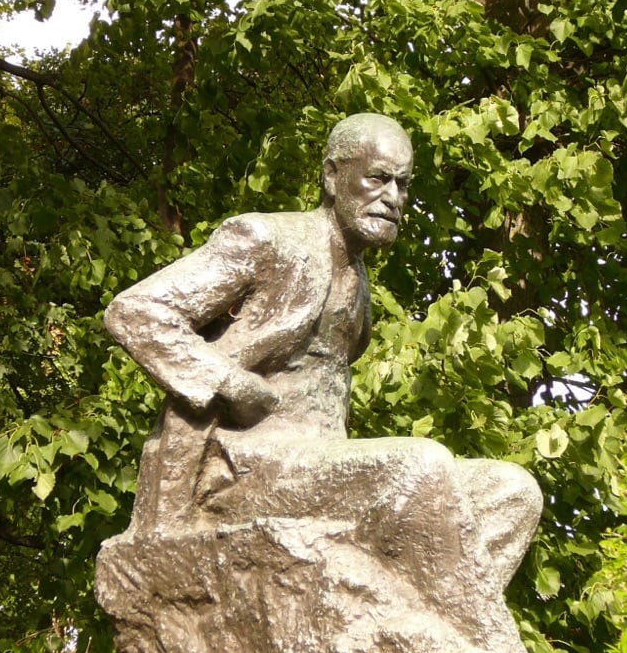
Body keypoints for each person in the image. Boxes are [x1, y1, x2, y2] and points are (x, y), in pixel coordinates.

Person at [104, 113, 542, 623]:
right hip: (241, 468)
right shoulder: (266, 239)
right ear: (333, 176)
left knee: (512, 492)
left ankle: (411, 639)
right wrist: (226, 382)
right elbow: (137, 311)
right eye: (377, 178)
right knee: (419, 465)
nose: (393, 197)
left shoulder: (359, 286)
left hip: (318, 466)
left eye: (404, 184)